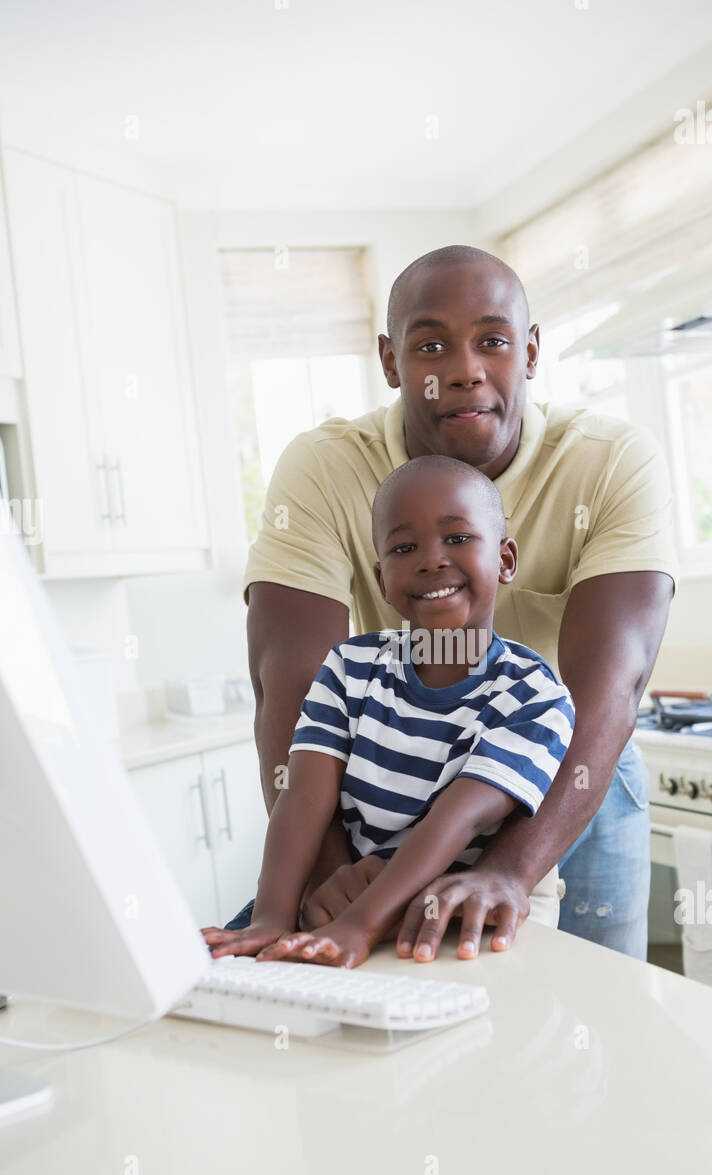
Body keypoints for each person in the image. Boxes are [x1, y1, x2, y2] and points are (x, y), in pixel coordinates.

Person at [225, 244, 677, 959]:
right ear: (389, 361)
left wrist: (508, 870)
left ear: (530, 352)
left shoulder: (610, 460)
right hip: (386, 758)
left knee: (592, 1010)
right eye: (431, 344)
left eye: (493, 341)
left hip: (575, 756)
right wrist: (336, 876)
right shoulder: (324, 467)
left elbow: (610, 687)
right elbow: (288, 688)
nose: (465, 369)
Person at [202, 455, 574, 968]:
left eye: (458, 538)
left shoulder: (534, 696)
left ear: (506, 559)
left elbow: (457, 821)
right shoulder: (350, 666)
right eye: (404, 548)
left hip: (439, 920)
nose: (431, 560)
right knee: (223, 983)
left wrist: (360, 925)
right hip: (344, 905)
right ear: (380, 580)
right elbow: (303, 798)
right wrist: (272, 916)